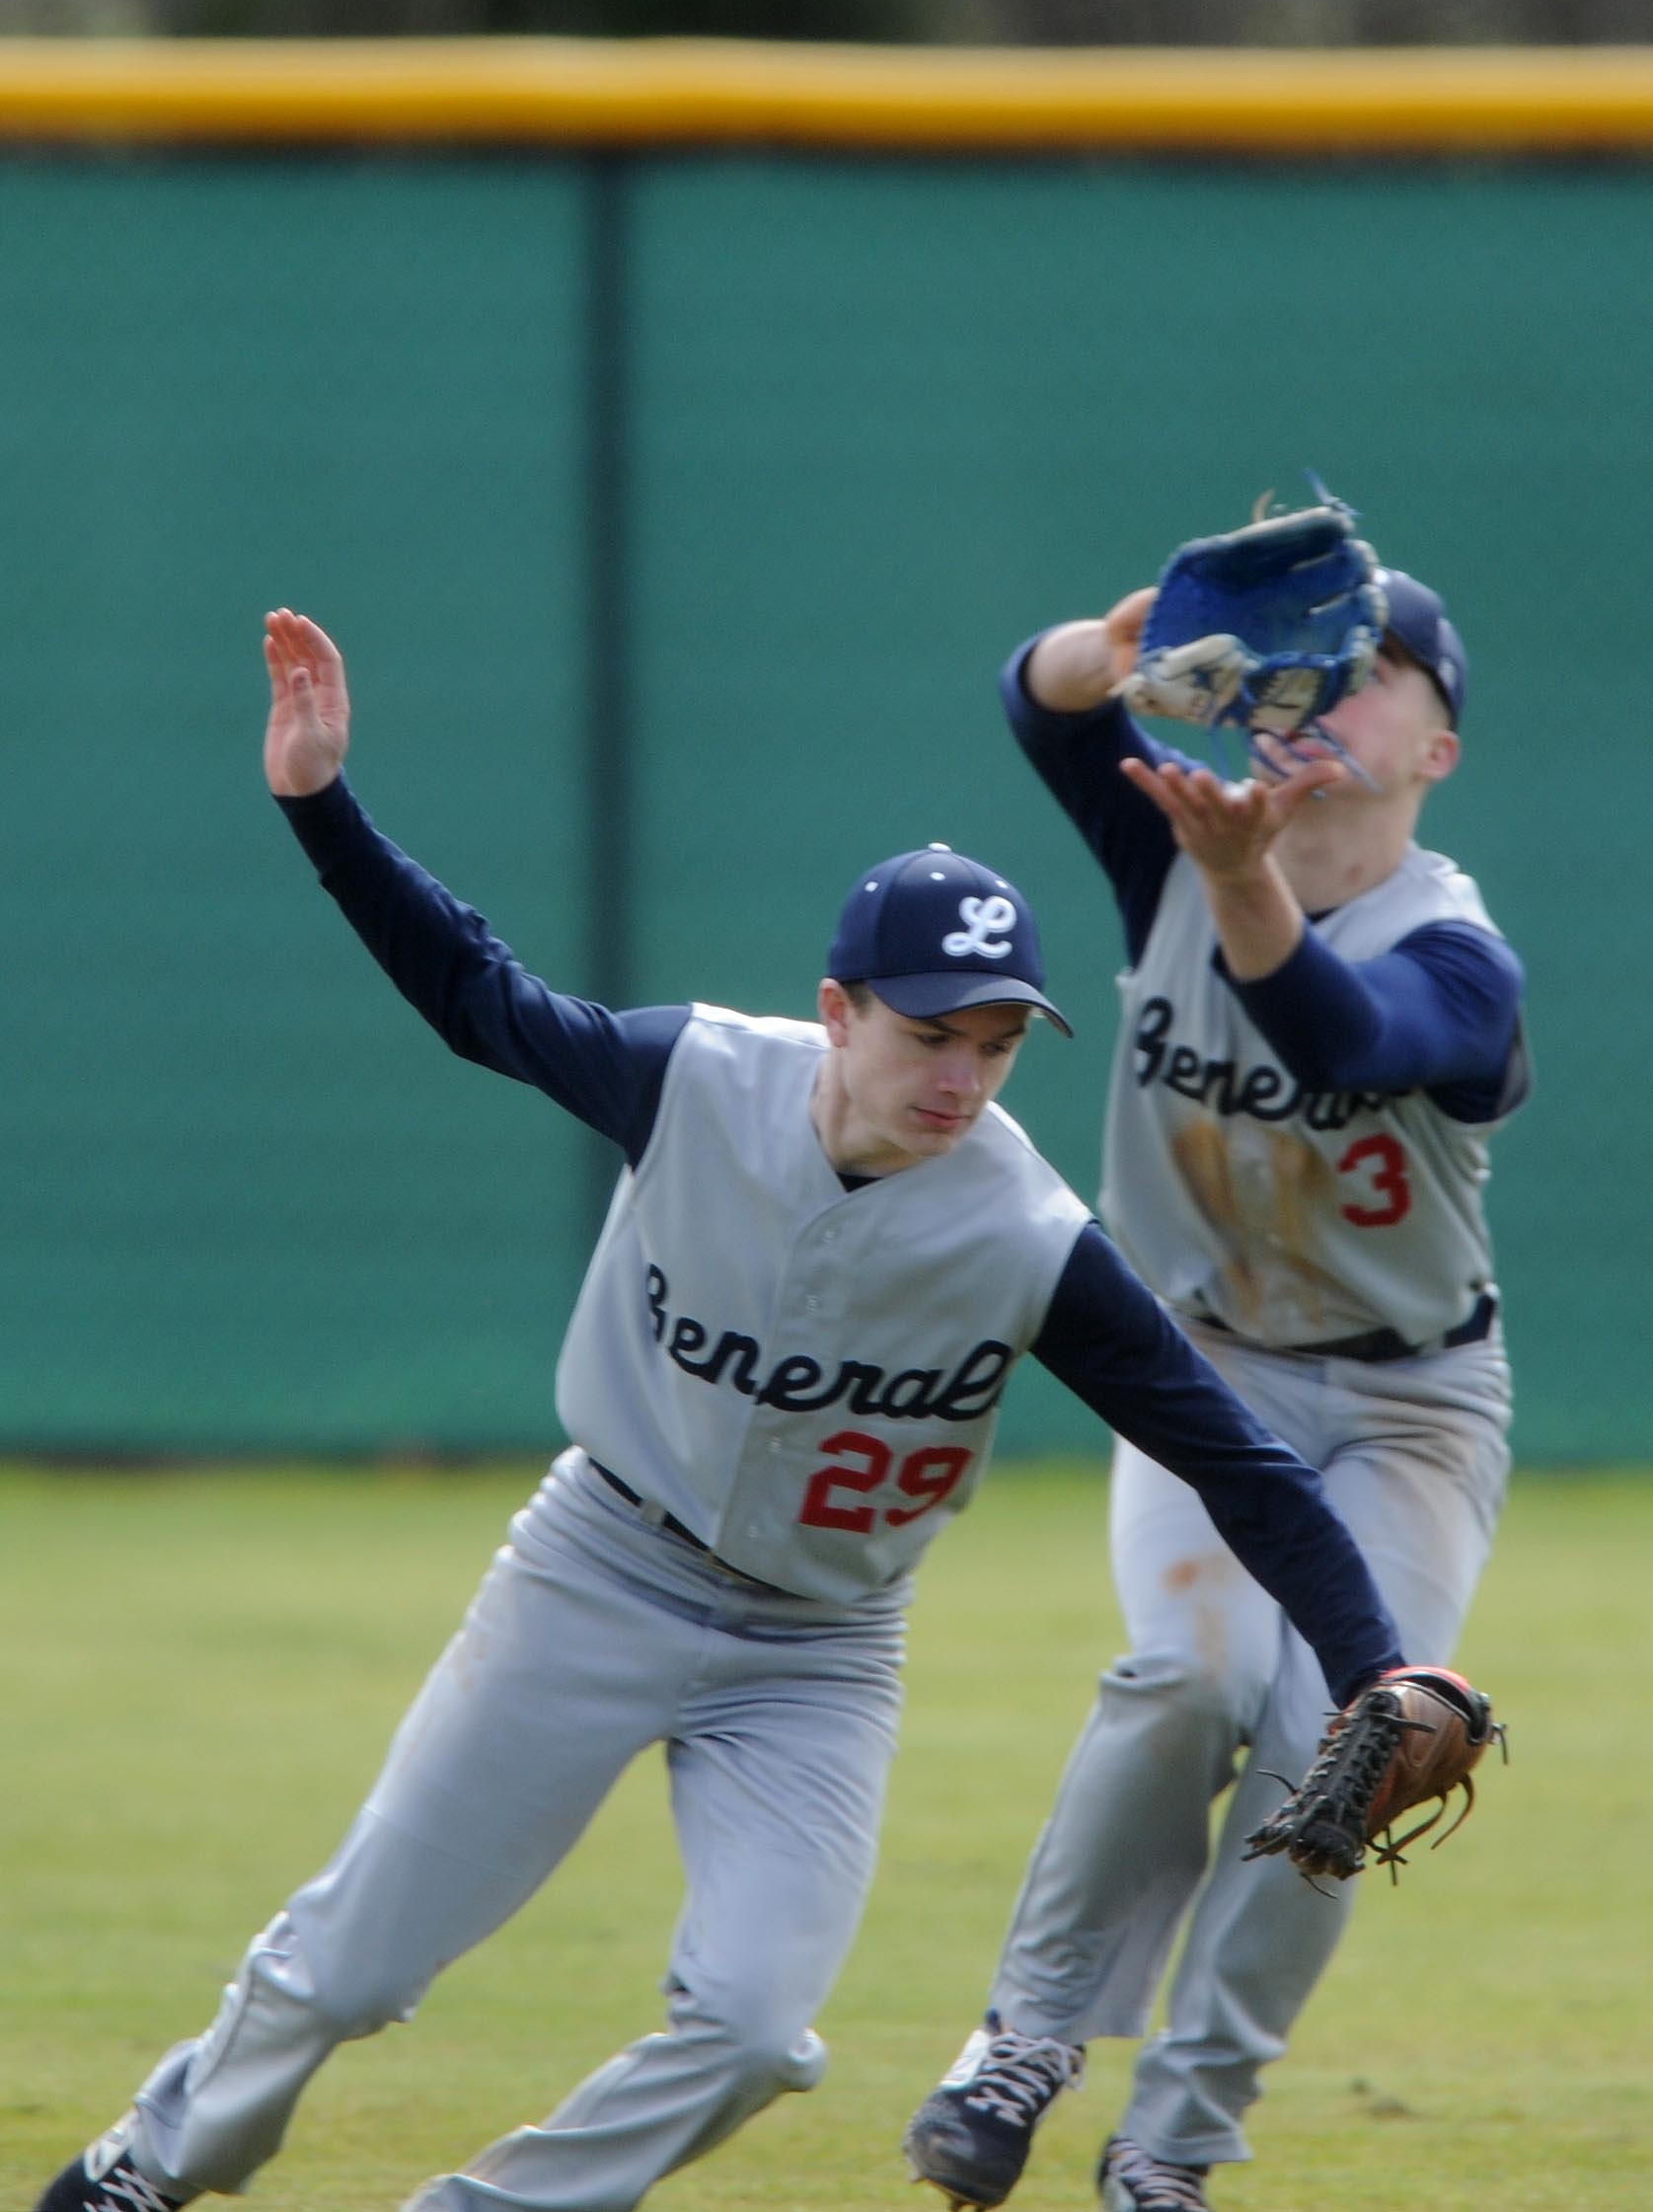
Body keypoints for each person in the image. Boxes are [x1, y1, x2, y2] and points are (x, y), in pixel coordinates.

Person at [36, 606, 1413, 2212]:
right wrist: (320, 805)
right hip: (597, 1572)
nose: (961, 1076)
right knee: (353, 1966)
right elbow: (476, 994)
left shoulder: (1028, 1236)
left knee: (756, 2033)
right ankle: (155, 2158)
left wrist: (1383, 1667)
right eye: (928, 1032)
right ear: (838, 1009)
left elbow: (1239, 1463)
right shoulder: (691, 1078)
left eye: (995, 1043)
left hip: (818, 1654)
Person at [903, 567, 1526, 2212]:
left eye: (1378, 668)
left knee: (1353, 1744)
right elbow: (1040, 705)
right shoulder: (1183, 842)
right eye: (1317, 658)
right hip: (1214, 1369)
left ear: (1439, 751)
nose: (1332, 687)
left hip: (1409, 1405)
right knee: (1184, 1678)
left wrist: (1242, 878)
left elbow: (1342, 1039)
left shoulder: (1462, 960)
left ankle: (1172, 2143)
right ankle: (1023, 2042)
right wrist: (1105, 652)